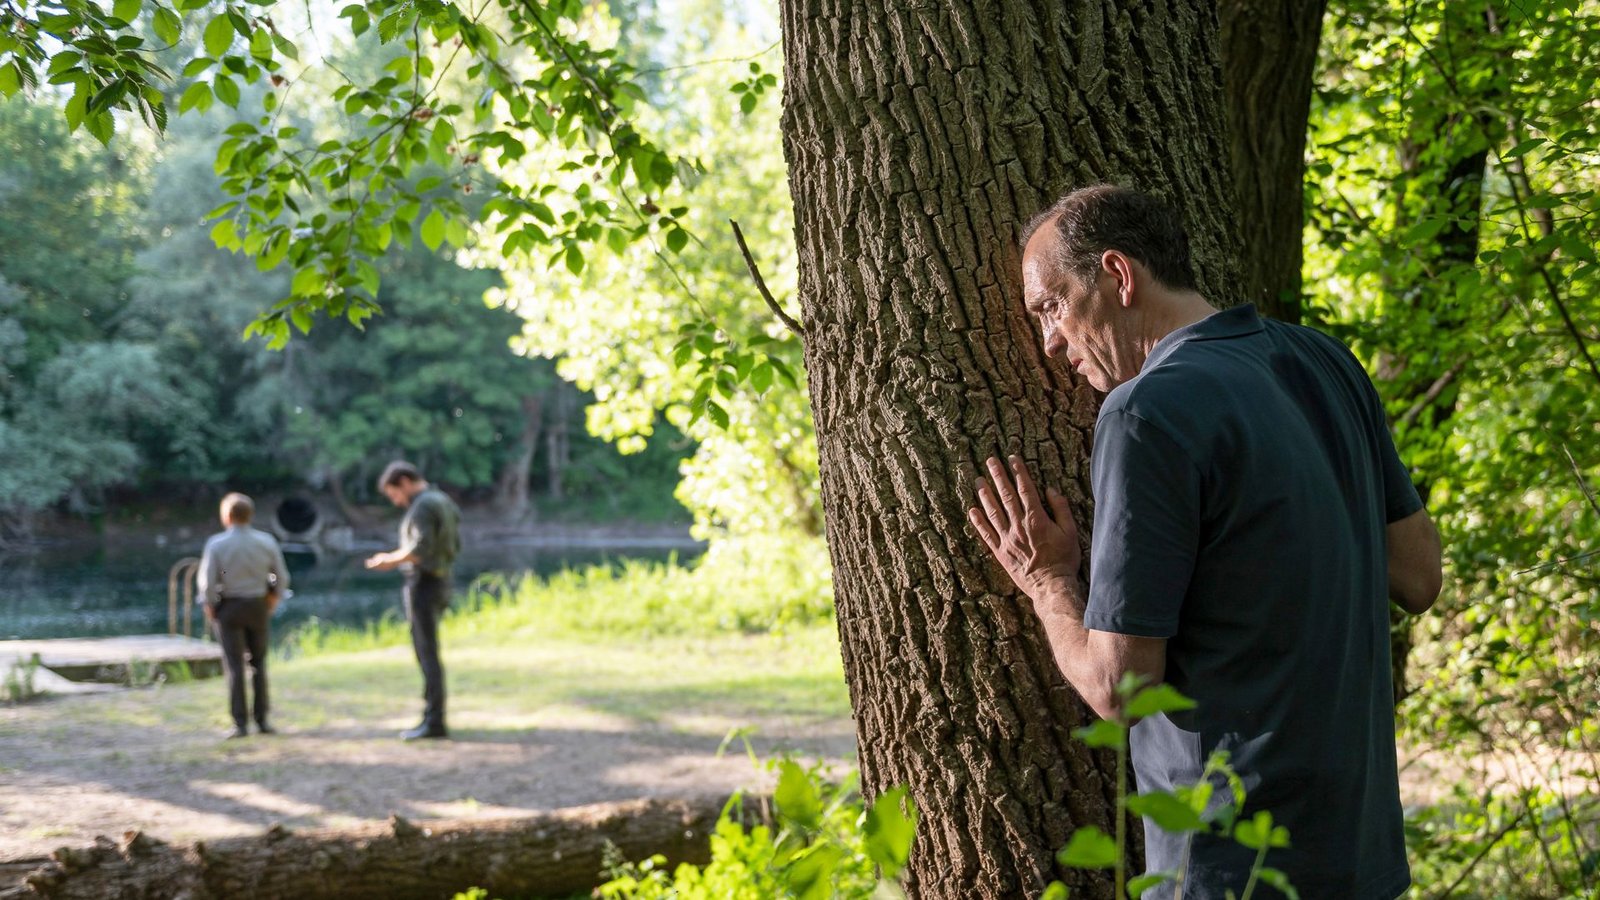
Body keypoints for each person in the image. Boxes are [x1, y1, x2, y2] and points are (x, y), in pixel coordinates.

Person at [968, 185, 1443, 898]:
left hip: (1231, 868)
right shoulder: (1325, 362)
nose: (1049, 341)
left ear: (1118, 275)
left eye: (1052, 305)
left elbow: (1121, 689)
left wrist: (1047, 582)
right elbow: (1419, 574)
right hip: (1361, 851)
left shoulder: (1145, 412)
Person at [365, 460, 462, 741]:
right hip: (443, 580)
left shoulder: (422, 506)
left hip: (425, 583)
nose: (396, 501)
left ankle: (434, 721)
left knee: (426, 652)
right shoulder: (442, 500)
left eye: (394, 493)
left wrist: (388, 560)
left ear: (405, 481)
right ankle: (433, 715)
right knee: (429, 652)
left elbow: (419, 548)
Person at [196, 492, 290, 739]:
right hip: (258, 606)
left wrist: (210, 605)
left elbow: (207, 583)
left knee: (234, 666)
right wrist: (272, 600)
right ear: (251, 515)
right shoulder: (266, 542)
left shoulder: (216, 544)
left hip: (229, 609)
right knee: (259, 663)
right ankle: (263, 720)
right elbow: (281, 578)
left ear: (227, 516)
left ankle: (240, 724)